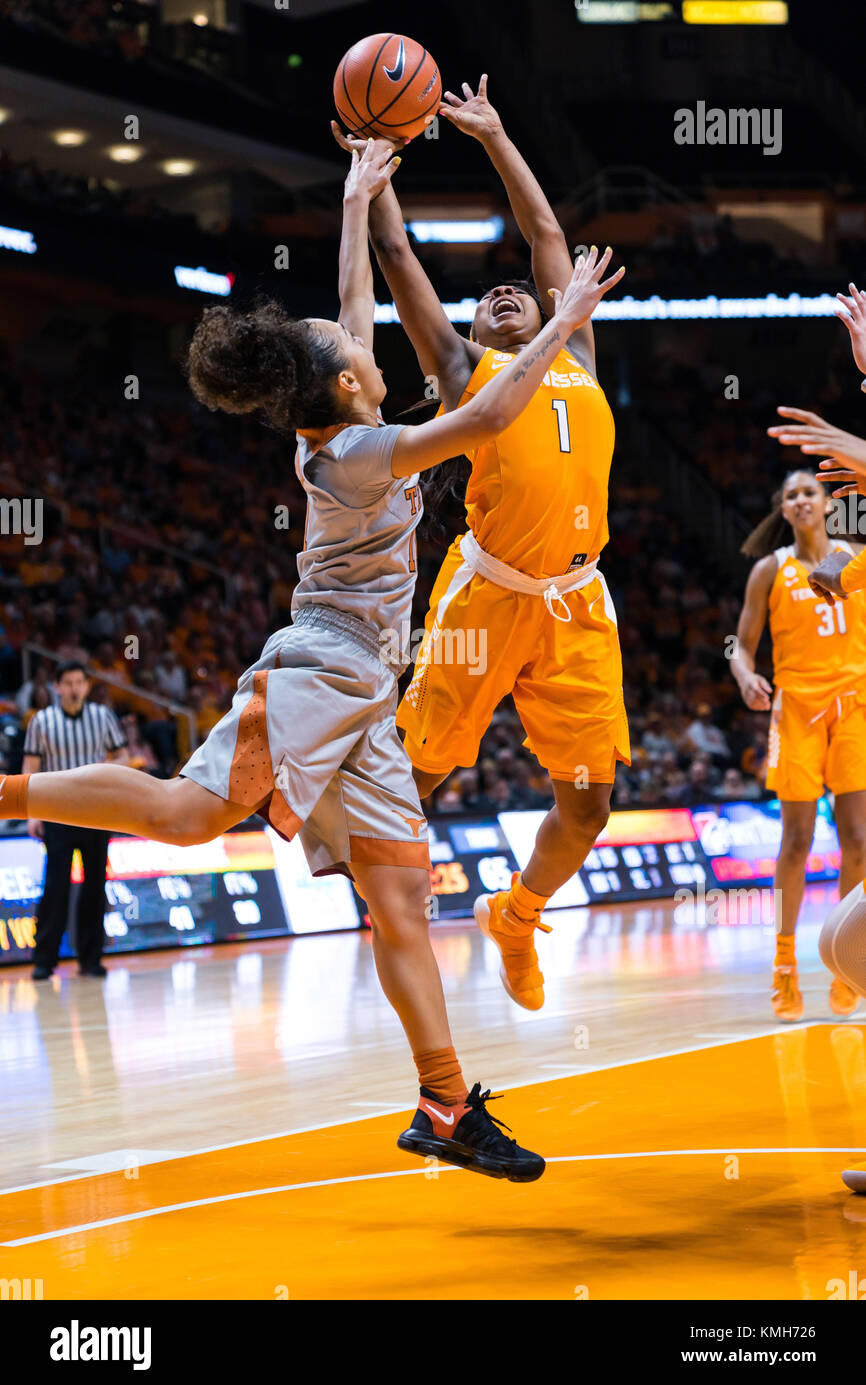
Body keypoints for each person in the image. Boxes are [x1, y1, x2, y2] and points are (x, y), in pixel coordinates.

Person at [0, 141, 623, 1180]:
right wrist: (562, 323)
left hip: (368, 695)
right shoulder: (362, 449)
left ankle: (442, 1104)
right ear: (348, 380)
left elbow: (346, 302)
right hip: (320, 671)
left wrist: (354, 202)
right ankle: (13, 791)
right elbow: (481, 415)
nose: (371, 344)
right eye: (359, 349)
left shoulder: (344, 416)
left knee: (402, 897)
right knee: (190, 815)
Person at [333, 76, 628, 1014]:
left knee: (589, 804)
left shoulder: (573, 349)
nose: (507, 292)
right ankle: (379, 896)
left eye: (521, 293)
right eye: (486, 297)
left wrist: (497, 133)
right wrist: (373, 173)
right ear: (460, 339)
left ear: (551, 312)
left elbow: (547, 238)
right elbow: (393, 250)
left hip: (579, 602)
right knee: (414, 771)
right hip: (489, 594)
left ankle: (517, 913)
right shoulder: (467, 373)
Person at [730, 470, 866, 1021]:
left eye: (810, 491)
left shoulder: (854, 557)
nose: (802, 500)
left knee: (858, 837)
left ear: (829, 503)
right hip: (798, 712)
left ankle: (848, 960)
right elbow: (741, 641)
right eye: (792, 495)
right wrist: (743, 675)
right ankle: (784, 966)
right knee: (796, 840)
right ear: (783, 510)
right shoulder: (771, 569)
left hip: (855, 702)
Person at [22, 661, 129, 980]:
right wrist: (32, 813)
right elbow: (30, 769)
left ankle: (91, 958)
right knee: (56, 886)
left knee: (96, 885)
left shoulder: (102, 716)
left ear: (86, 685)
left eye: (79, 682)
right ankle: (44, 961)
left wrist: (105, 773)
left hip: (95, 812)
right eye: (67, 683)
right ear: (57, 687)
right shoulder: (42, 721)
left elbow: (121, 756)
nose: (73, 688)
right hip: (57, 811)